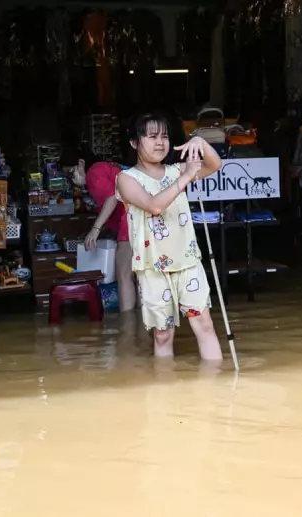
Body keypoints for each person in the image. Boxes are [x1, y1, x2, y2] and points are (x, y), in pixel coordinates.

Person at [115, 113, 223, 361]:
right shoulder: (126, 179)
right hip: (153, 267)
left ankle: (217, 382)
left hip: (187, 260)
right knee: (163, 335)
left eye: (164, 136)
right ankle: (165, 384)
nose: (160, 142)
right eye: (152, 136)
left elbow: (215, 165)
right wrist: (185, 177)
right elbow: (154, 206)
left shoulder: (176, 170)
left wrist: (201, 143)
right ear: (134, 142)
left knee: (204, 325)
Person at [84, 161, 136, 312]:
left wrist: (95, 229)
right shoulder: (109, 168)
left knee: (124, 276)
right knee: (139, 277)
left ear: (81, 163)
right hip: (143, 217)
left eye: (71, 172)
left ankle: (128, 323)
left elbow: (112, 198)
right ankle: (141, 322)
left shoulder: (93, 172)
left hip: (131, 218)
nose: (72, 179)